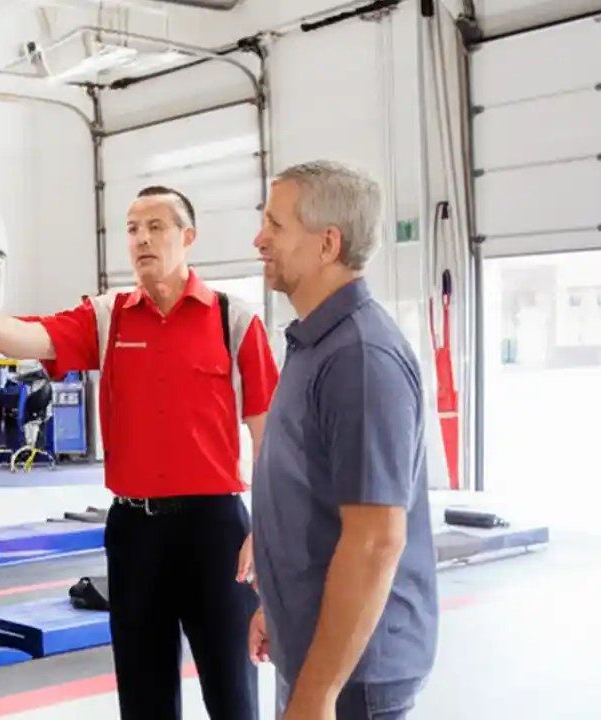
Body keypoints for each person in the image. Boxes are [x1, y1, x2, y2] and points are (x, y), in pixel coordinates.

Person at [0, 185, 279, 719]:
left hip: (216, 531)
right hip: (135, 532)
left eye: (156, 227)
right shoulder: (108, 317)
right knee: (144, 695)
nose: (141, 239)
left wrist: (266, 526)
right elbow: (25, 337)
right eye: (132, 228)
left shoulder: (234, 319)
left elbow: (267, 431)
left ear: (188, 237)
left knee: (233, 692)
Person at [247, 160, 439, 720]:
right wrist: (279, 612)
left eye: (275, 225)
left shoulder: (359, 358)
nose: (260, 239)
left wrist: (318, 694)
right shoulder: (316, 343)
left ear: (327, 243)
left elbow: (376, 541)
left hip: (355, 674)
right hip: (319, 654)